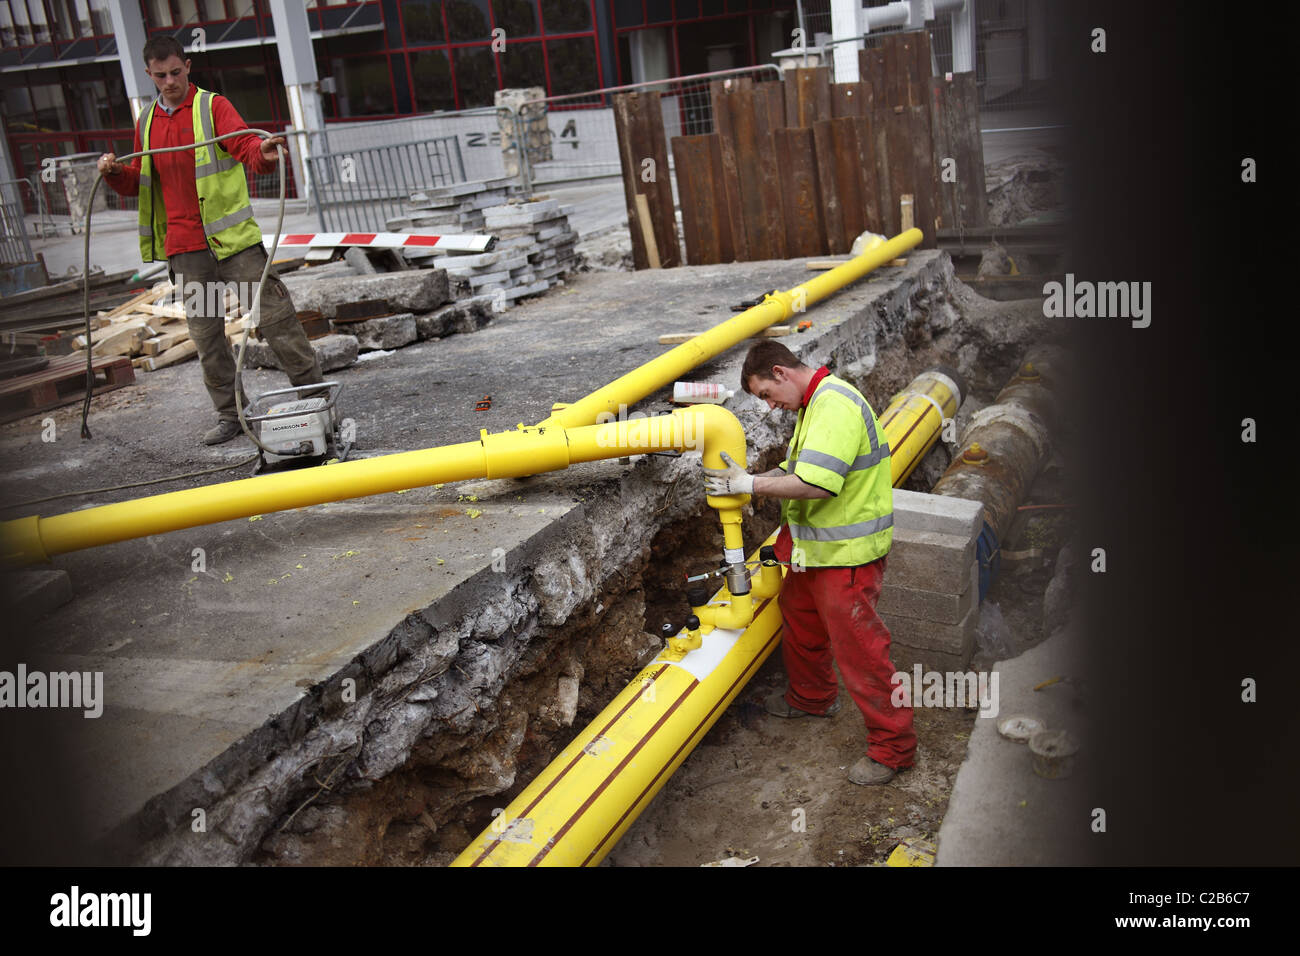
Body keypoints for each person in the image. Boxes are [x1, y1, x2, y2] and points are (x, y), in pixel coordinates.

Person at [702, 341, 916, 785]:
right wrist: (743, 482)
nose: (771, 405)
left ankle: (894, 749)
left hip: (847, 558)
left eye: (765, 394)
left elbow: (818, 485)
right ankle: (812, 698)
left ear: (780, 372)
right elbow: (798, 467)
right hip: (811, 553)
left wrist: (753, 483)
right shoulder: (814, 405)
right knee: (799, 619)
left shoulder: (833, 405)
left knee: (862, 653)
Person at [97, 35, 322, 446]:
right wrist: (114, 173)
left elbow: (243, 143)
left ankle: (315, 398)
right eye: (160, 75)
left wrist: (263, 153)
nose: (169, 82)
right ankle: (230, 415)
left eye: (175, 73)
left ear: (188, 66)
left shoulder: (212, 107)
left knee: (275, 320)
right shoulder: (146, 123)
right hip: (187, 252)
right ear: (149, 74)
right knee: (206, 337)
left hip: (233, 245)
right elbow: (141, 184)